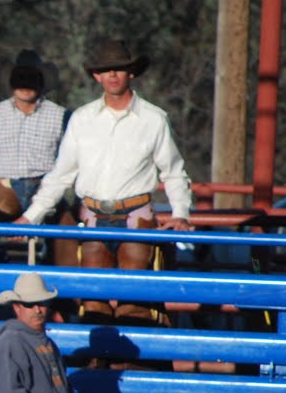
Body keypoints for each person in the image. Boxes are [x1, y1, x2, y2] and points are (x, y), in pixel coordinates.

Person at [17, 39, 193, 325]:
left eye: (119, 69)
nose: (112, 75)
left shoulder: (154, 119)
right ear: (97, 76)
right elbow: (61, 173)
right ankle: (101, 366)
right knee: (93, 301)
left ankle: (134, 366)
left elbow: (173, 172)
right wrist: (31, 216)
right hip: (93, 218)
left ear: (131, 73)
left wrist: (181, 215)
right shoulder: (82, 119)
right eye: (106, 70)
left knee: (135, 304)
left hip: (136, 218)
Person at [0, 49, 67, 212]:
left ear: (41, 82)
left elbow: (78, 156)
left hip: (46, 188)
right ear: (11, 81)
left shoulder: (61, 116)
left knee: (67, 236)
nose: (25, 85)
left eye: (32, 79)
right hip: (6, 186)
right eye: (20, 78)